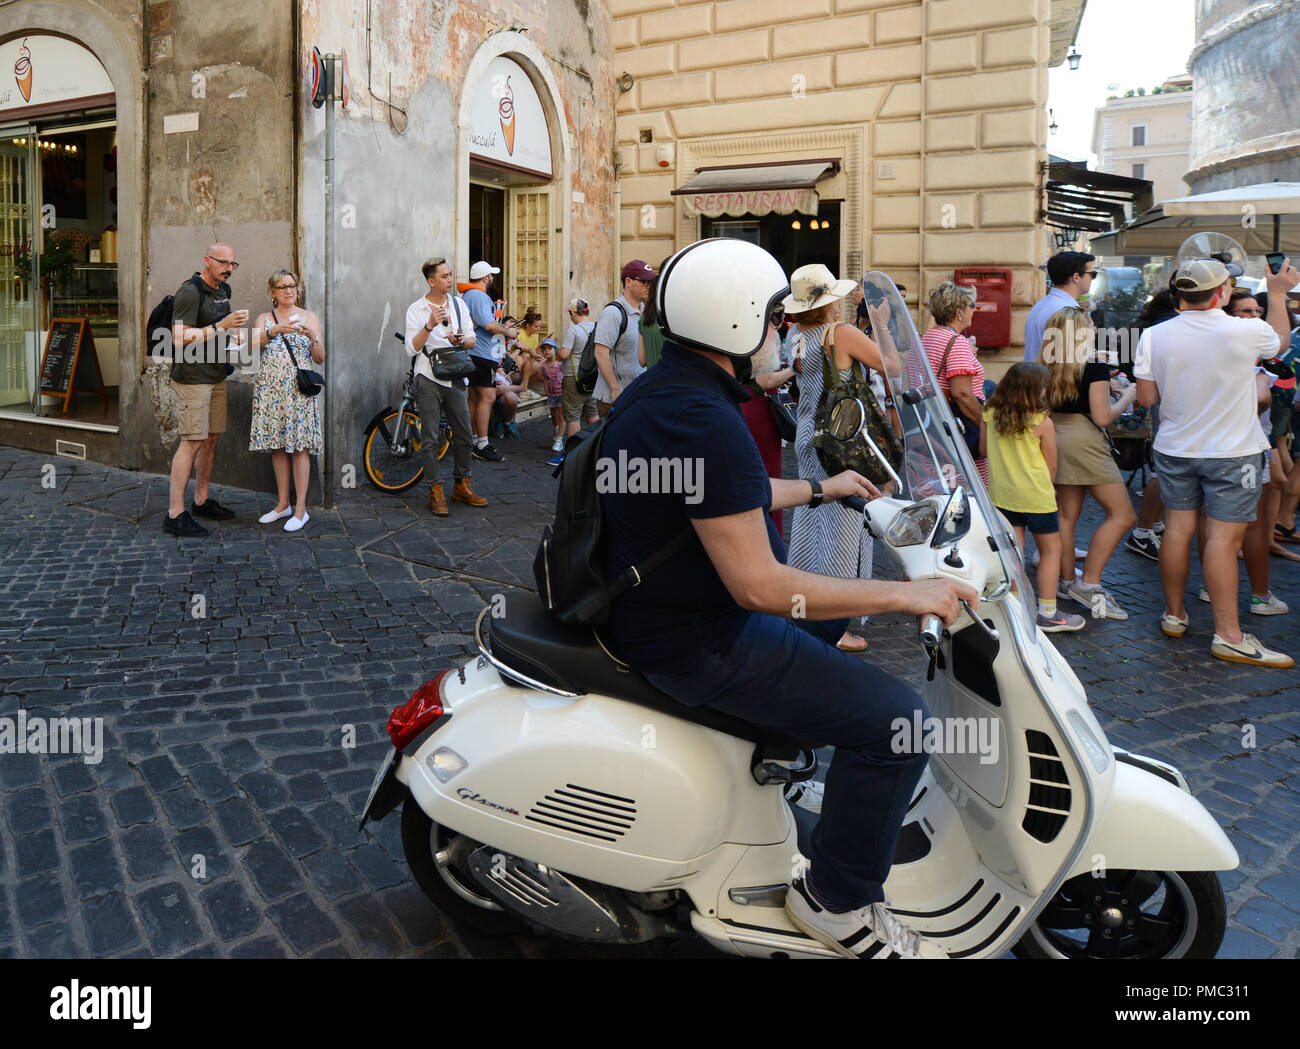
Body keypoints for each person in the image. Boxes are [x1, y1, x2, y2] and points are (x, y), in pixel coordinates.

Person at [600, 238, 972, 958]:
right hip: (699, 637)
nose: (781, 331)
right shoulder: (704, 418)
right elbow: (762, 585)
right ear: (735, 322)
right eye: (774, 318)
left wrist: (819, 486)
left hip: (670, 612)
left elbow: (717, 496)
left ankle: (793, 802)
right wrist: (904, 595)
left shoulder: (670, 390)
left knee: (833, 657)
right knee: (899, 721)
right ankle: (839, 901)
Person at [1135, 257, 1298, 668]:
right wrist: (1276, 293)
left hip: (1175, 447)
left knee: (1177, 530)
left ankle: (1175, 615)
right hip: (1232, 451)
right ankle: (1229, 635)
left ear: (1180, 293)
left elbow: (1147, 400)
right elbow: (1280, 341)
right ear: (1223, 293)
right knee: (1224, 540)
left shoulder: (1154, 336)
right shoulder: (1245, 330)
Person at [787, 263, 900, 653]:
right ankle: (831, 624)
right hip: (841, 440)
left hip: (808, 436)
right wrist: (883, 325)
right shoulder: (842, 334)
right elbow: (893, 366)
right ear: (832, 301)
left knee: (811, 513)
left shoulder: (796, 336)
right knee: (842, 526)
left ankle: (801, 604)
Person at [1037, 307, 1136, 620]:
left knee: (1066, 516)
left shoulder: (1046, 363)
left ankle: (1067, 582)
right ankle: (1089, 583)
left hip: (1056, 436)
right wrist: (1128, 396)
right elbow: (1103, 416)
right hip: (1085, 441)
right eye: (1091, 325)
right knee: (1123, 515)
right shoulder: (1094, 367)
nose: (1094, 329)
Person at [980, 363, 1083, 633]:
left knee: (1014, 553)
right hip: (1037, 497)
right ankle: (1047, 612)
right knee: (1051, 551)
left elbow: (982, 449)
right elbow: (1051, 466)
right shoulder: (1042, 421)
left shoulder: (989, 413)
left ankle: (1015, 607)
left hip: (1002, 496)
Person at [164, 243, 249, 537]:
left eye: (232, 264)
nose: (228, 268)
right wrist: (221, 325)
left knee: (211, 439)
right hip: (192, 378)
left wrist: (234, 331)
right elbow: (177, 338)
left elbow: (219, 328)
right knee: (191, 442)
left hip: (215, 375)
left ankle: (201, 500)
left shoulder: (223, 291)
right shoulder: (190, 291)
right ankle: (175, 514)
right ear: (207, 260)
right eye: (223, 262)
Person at [404, 257, 488, 517]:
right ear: (431, 281)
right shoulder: (416, 309)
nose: (450, 280)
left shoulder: (459, 305)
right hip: (428, 376)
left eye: (451, 275)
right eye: (444, 276)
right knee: (430, 437)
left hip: (455, 376)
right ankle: (435, 489)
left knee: (464, 433)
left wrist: (461, 339)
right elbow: (411, 348)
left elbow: (473, 341)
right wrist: (429, 325)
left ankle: (462, 485)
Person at [249, 269, 324, 532]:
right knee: (278, 446)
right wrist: (275, 330)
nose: (289, 290)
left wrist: (310, 337)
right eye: (282, 287)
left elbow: (320, 357)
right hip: (271, 391)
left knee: (300, 447)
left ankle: (301, 509)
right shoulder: (264, 318)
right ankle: (283, 504)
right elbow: (253, 344)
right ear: (273, 293)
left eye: (292, 286)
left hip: (298, 393)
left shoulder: (308, 317)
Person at [1123, 289, 1177, 561]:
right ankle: (1144, 532)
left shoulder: (1149, 327)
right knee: (1161, 473)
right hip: (1167, 411)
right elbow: (1146, 394)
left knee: (1162, 472)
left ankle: (1151, 527)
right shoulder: (1164, 328)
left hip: (1163, 410)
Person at [922, 282, 989, 485]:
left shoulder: (928, 337)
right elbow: (962, 395)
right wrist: (985, 424)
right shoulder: (956, 342)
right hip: (958, 429)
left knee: (941, 488)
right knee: (969, 490)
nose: (974, 310)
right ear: (959, 313)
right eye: (972, 306)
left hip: (934, 425)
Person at [740, 310, 796, 537]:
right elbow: (765, 380)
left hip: (759, 409)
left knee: (770, 471)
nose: (777, 326)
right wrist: (794, 369)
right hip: (755, 409)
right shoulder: (751, 343)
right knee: (764, 474)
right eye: (774, 319)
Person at [462, 261, 518, 463]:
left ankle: (473, 441)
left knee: (474, 398)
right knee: (487, 397)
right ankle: (482, 444)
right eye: (491, 276)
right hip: (482, 354)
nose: (493, 279)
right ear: (485, 278)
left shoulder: (469, 295)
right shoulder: (479, 296)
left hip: (474, 352)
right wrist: (508, 331)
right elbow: (489, 325)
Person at [593, 260, 653, 414]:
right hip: (615, 398)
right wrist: (614, 388)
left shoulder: (645, 310)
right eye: (644, 282)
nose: (648, 286)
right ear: (628, 281)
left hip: (637, 394)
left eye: (650, 282)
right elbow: (600, 353)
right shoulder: (613, 313)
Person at [1024, 252, 1098, 363]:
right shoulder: (1068, 310)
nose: (1093, 279)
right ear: (1076, 277)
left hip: (1037, 377)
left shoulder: (1041, 304)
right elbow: (1073, 361)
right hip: (1054, 379)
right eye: (1092, 274)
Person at [555, 298, 598, 465]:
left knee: (573, 416)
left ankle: (573, 454)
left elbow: (564, 355)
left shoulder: (573, 330)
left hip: (574, 377)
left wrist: (557, 350)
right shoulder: (596, 327)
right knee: (592, 413)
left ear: (574, 313)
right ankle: (596, 450)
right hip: (592, 376)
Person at [539, 337, 565, 454]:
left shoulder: (560, 365)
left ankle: (559, 439)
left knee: (561, 416)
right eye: (544, 349)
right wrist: (547, 393)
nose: (547, 351)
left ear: (555, 350)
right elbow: (545, 380)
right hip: (551, 395)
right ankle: (557, 431)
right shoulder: (543, 366)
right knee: (553, 416)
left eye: (549, 348)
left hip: (562, 394)